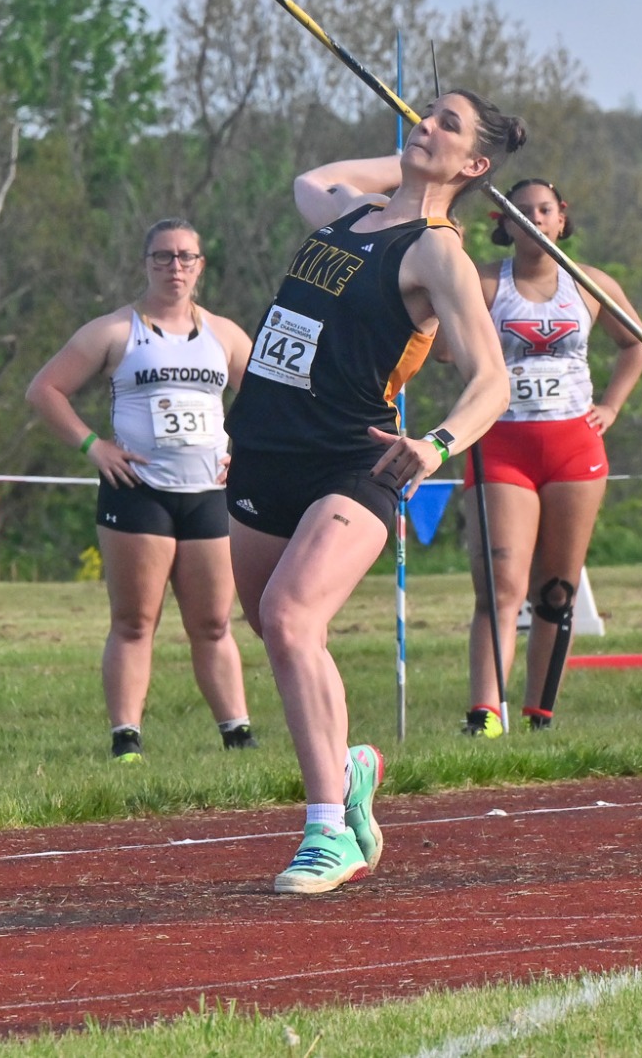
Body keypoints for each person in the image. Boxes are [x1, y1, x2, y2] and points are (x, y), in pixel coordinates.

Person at [226, 89, 521, 894]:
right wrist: (412, 161)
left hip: (353, 461)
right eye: (424, 112)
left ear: (476, 164)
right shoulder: (347, 216)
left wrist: (434, 445)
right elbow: (310, 176)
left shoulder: (438, 254)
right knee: (277, 631)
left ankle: (329, 833)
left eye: (447, 124)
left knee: (292, 618)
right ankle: (352, 766)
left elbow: (490, 381)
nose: (425, 124)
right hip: (262, 448)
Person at [27, 220, 257, 761]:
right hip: (139, 491)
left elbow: (268, 402)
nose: (174, 268)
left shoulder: (225, 335)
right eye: (162, 257)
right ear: (145, 264)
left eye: (185, 257)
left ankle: (237, 733)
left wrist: (246, 456)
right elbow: (45, 389)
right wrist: (93, 447)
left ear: (201, 265)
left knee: (214, 621)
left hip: (208, 494)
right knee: (134, 621)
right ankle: (126, 738)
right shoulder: (113, 331)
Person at [453, 179, 642, 734]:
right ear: (505, 223)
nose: (535, 219)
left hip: (573, 448)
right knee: (500, 585)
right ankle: (485, 713)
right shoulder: (485, 285)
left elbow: (636, 344)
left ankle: (540, 713)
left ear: (561, 217)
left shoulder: (589, 285)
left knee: (555, 591)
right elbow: (444, 351)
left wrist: (611, 405)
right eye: (522, 211)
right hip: (503, 443)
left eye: (545, 210)